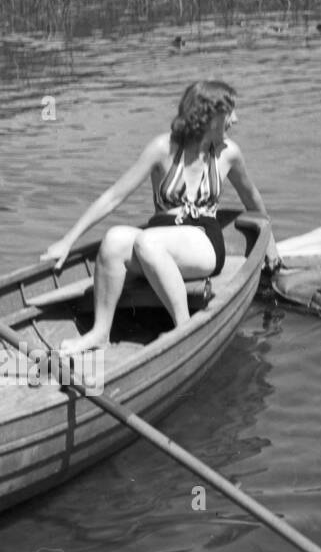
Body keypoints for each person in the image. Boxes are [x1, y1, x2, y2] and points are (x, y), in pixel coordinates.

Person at [41, 81, 280, 355]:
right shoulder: (161, 148)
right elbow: (114, 196)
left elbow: (252, 198)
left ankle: (184, 330)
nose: (235, 120)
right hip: (159, 240)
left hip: (202, 241)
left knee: (147, 243)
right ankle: (100, 332)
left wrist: (269, 243)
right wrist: (68, 240)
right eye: (230, 113)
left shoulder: (229, 154)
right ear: (209, 115)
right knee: (114, 239)